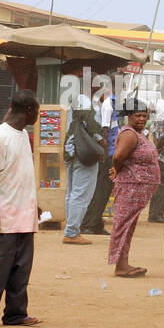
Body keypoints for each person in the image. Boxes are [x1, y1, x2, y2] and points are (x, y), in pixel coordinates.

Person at [0, 90, 42, 327]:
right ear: (29, 111)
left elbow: (19, 172)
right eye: (37, 111)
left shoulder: (22, 135)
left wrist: (34, 204)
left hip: (23, 215)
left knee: (20, 269)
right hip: (1, 217)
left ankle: (16, 313)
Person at [108, 98, 160, 276]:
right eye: (138, 115)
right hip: (131, 187)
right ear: (129, 116)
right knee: (123, 225)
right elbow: (117, 156)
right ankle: (120, 266)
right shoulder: (129, 134)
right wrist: (118, 169)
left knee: (128, 225)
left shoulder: (138, 133)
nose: (142, 119)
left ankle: (123, 263)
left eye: (145, 116)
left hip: (137, 188)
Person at [61, 96, 101, 244]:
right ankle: (72, 232)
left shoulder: (71, 104)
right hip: (84, 154)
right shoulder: (86, 104)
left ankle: (71, 230)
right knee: (81, 194)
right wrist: (101, 142)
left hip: (70, 152)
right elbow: (93, 126)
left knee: (72, 194)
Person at [80, 85, 117, 235]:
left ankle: (95, 223)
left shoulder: (109, 103)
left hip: (109, 151)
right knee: (101, 188)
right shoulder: (108, 104)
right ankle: (90, 224)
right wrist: (105, 152)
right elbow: (105, 129)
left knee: (104, 188)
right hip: (107, 153)